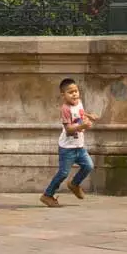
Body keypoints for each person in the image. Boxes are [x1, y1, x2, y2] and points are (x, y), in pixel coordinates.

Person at [41, 78, 95, 207]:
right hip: (67, 148)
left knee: (88, 166)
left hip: (79, 146)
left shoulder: (79, 103)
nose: (75, 94)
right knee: (63, 173)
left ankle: (74, 184)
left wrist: (88, 116)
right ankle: (47, 195)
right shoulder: (65, 109)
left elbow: (80, 114)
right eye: (70, 92)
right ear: (63, 95)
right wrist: (83, 127)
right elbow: (69, 129)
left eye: (76, 91)